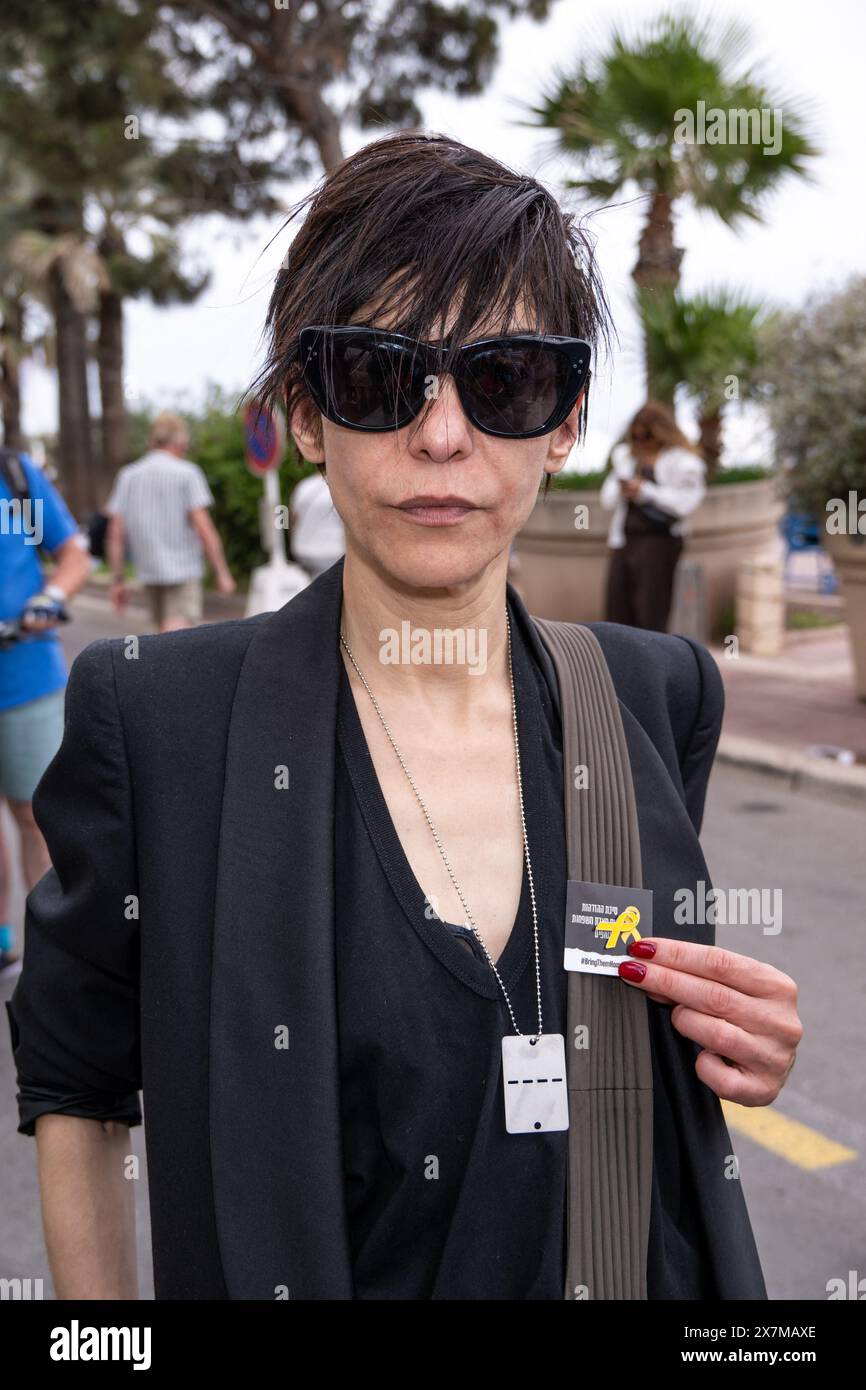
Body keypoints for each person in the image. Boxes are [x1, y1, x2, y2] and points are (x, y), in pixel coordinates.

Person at [6, 131, 801, 1301]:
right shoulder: (159, 720)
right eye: (379, 375)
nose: (441, 435)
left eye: (505, 378)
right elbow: (77, 1079)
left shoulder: (653, 694)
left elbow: (615, 994)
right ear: (308, 413)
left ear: (565, 419)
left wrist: (729, 1040)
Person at [0, 448, 90, 975]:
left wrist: (48, 598)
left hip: (27, 678)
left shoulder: (13, 476)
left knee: (37, 816)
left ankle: (53, 950)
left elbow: (72, 554)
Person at [104, 412, 236, 632]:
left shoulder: (128, 475)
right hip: (182, 570)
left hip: (148, 569)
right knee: (175, 640)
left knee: (160, 637)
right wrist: (221, 572)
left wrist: (118, 580)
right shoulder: (188, 473)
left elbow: (115, 531)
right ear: (179, 442)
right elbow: (204, 529)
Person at [600, 401, 706, 632]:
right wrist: (624, 486)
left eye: (646, 436)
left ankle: (652, 665)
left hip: (660, 543)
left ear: (660, 433)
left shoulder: (684, 462)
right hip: (626, 541)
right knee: (617, 609)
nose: (641, 442)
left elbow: (685, 504)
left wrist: (646, 491)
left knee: (650, 611)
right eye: (636, 437)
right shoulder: (627, 458)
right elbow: (606, 500)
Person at [289, 468, 346, 579]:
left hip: (302, 552)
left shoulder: (303, 486)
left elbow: (292, 519)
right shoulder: (338, 488)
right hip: (331, 553)